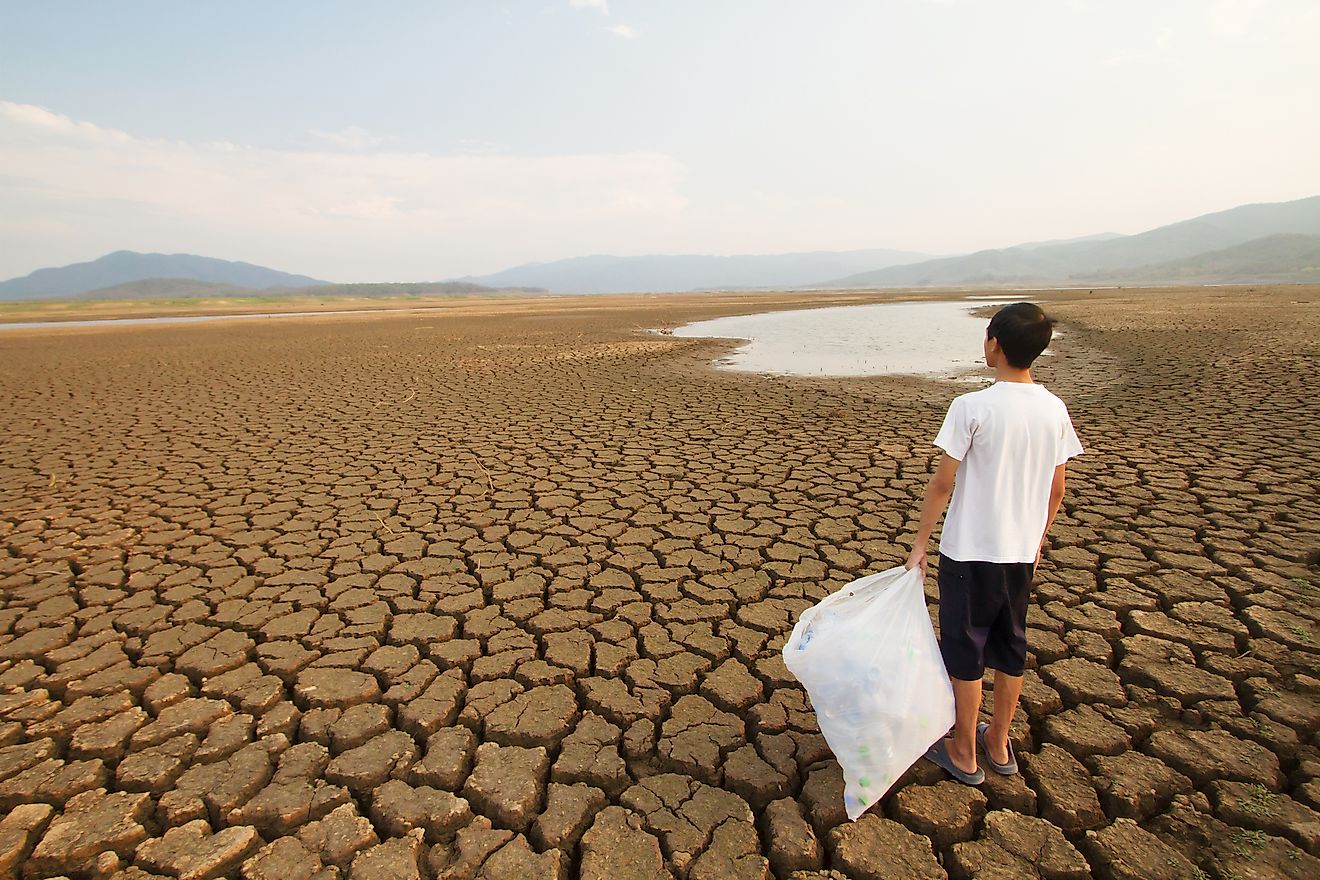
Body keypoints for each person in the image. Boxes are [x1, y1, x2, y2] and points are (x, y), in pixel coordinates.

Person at [906, 301, 1083, 784]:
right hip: (1020, 555)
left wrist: (920, 543)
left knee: (965, 653)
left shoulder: (972, 406)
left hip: (968, 553)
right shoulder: (1053, 408)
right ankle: (999, 742)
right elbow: (1057, 487)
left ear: (995, 345)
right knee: (1010, 647)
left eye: (987, 336)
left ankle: (964, 750)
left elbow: (943, 483)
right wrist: (1039, 538)